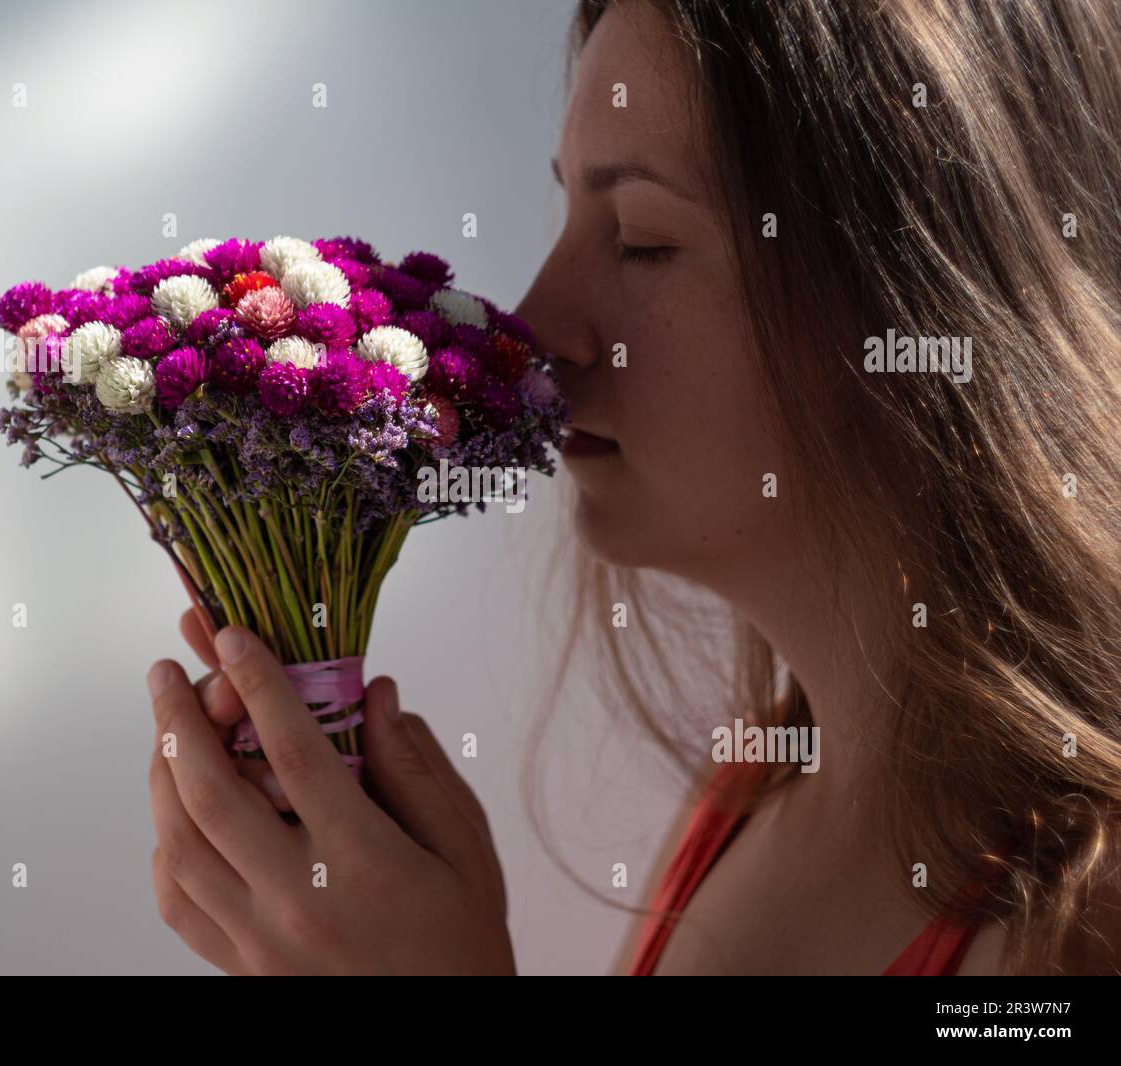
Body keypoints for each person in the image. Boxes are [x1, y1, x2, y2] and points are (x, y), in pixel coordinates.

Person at [144, 0, 1121, 975]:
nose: (531, 326)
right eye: (570, 213)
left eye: (644, 239)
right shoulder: (748, 795)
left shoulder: (1086, 915)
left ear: (920, 302)